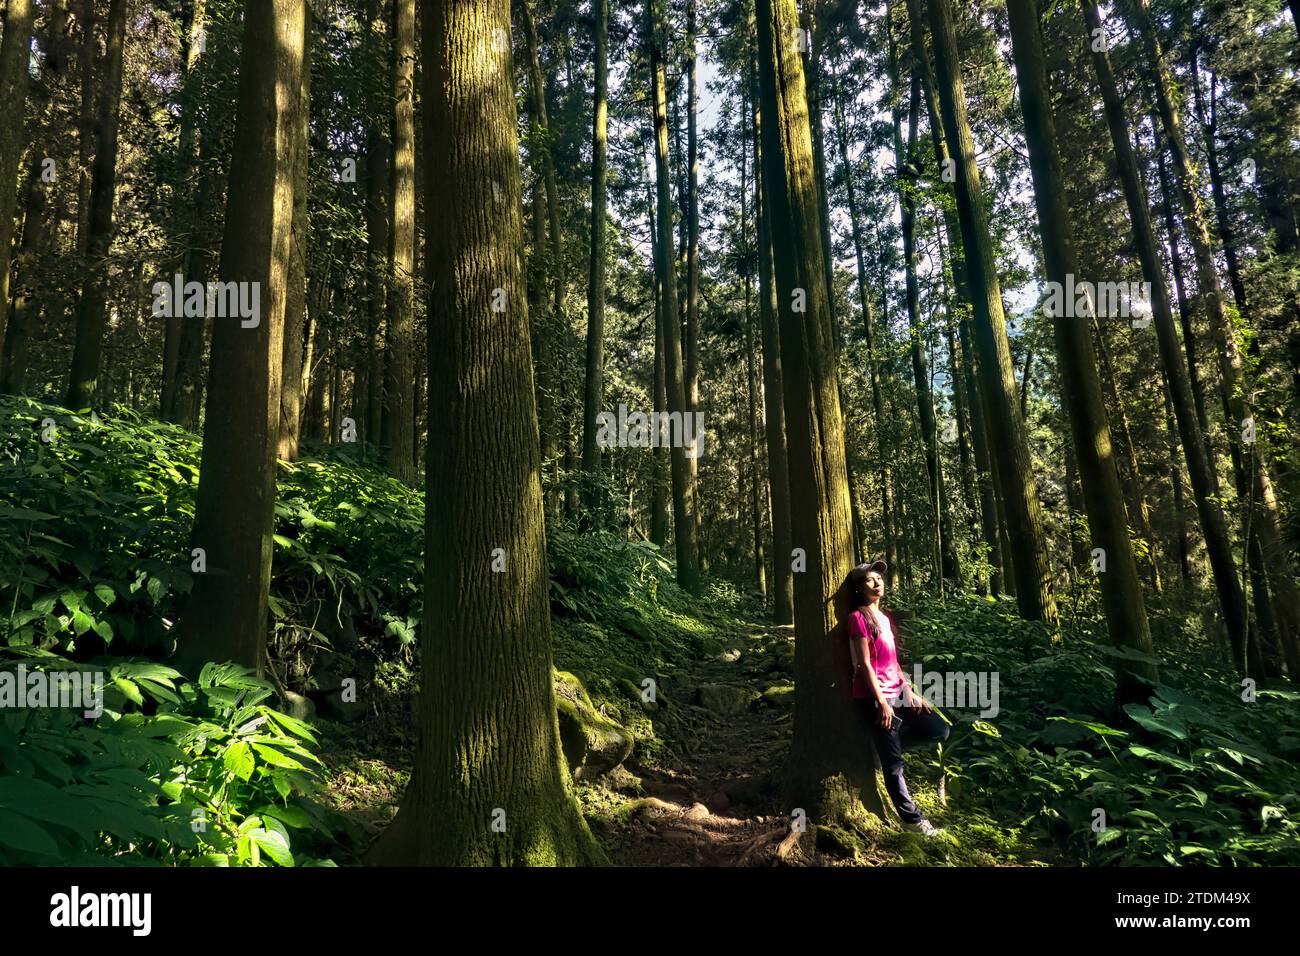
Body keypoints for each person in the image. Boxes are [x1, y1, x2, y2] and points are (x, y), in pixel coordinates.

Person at [844, 560, 949, 836]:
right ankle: (913, 821)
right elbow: (865, 665)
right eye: (869, 579)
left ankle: (884, 748)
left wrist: (909, 690)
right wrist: (881, 702)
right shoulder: (858, 618)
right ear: (859, 587)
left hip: (896, 691)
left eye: (879, 577)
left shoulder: (885, 619)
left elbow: (892, 661)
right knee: (894, 768)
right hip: (873, 697)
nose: (877, 582)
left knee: (939, 729)